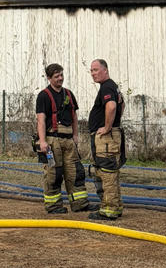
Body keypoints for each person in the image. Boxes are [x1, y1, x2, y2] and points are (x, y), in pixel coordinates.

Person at [35, 63, 89, 214]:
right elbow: (41, 120)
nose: (60, 78)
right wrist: (43, 141)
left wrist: (76, 135)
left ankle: (80, 204)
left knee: (75, 172)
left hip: (69, 140)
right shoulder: (43, 96)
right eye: (57, 76)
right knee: (53, 174)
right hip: (53, 140)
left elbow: (74, 117)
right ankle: (53, 206)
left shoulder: (69, 94)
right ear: (49, 78)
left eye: (61, 75)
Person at [88, 58, 125, 221]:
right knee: (109, 172)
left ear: (105, 70)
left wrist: (108, 127)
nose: (93, 73)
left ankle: (109, 209)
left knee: (106, 173)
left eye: (96, 70)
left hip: (106, 139)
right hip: (110, 137)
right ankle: (114, 205)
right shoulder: (112, 86)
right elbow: (121, 104)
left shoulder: (107, 87)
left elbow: (112, 106)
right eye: (91, 71)